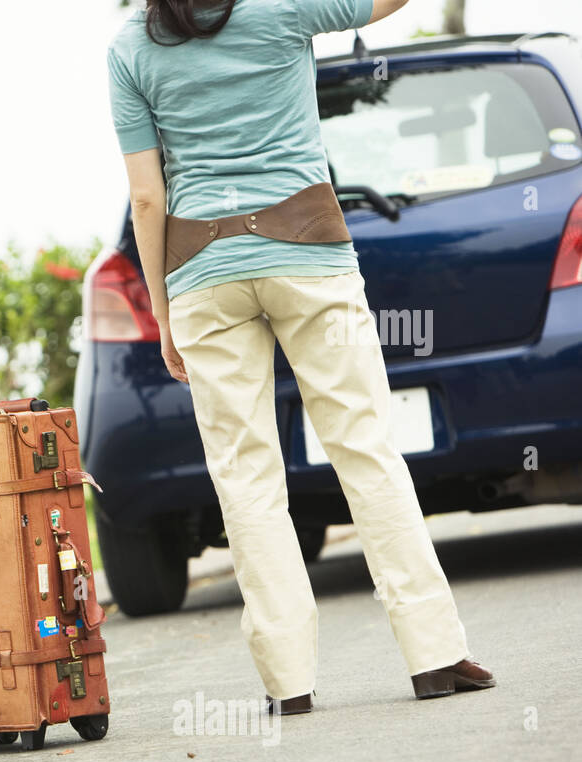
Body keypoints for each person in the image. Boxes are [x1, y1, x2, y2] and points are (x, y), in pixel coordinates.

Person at [106, 0, 495, 713]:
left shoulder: (130, 45)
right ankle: (435, 654)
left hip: (202, 278)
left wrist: (164, 316)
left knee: (245, 477)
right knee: (366, 448)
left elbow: (146, 197)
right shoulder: (281, 5)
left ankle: (289, 683)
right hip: (309, 259)